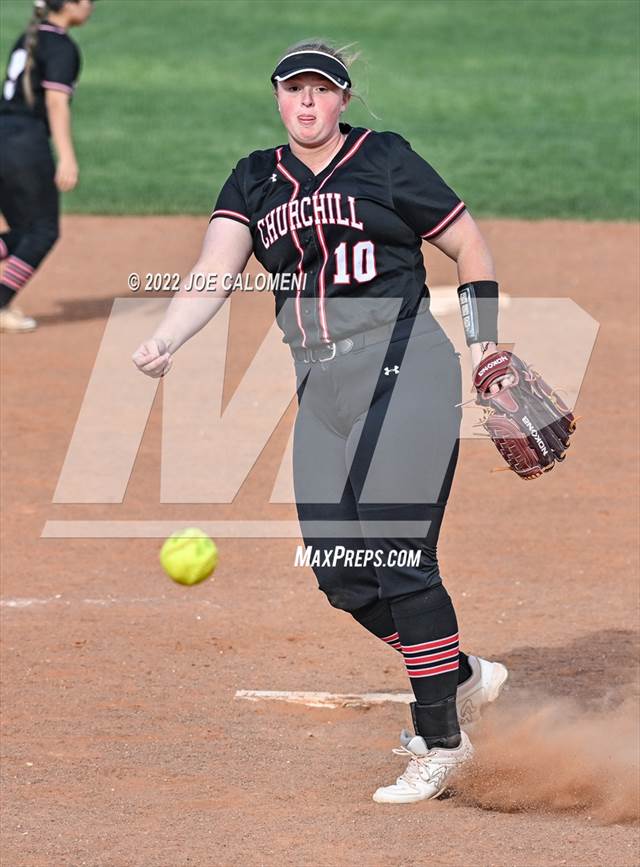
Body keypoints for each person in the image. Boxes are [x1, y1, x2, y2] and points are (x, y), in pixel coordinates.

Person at [132, 40, 509, 805]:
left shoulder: (386, 160)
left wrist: (487, 346)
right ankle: (460, 674)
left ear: (343, 99)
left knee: (402, 553)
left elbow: (467, 243)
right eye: (293, 90)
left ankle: (442, 740)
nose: (307, 103)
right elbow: (214, 268)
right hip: (323, 388)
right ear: (278, 98)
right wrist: (169, 334)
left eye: (322, 90)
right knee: (339, 570)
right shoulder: (255, 177)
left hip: (405, 366)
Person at [0, 0, 95, 333]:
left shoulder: (29, 37)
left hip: (4, 138)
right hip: (24, 146)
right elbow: (56, 102)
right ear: (68, 5)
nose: (92, 6)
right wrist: (67, 156)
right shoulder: (61, 46)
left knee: (25, 233)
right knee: (43, 231)